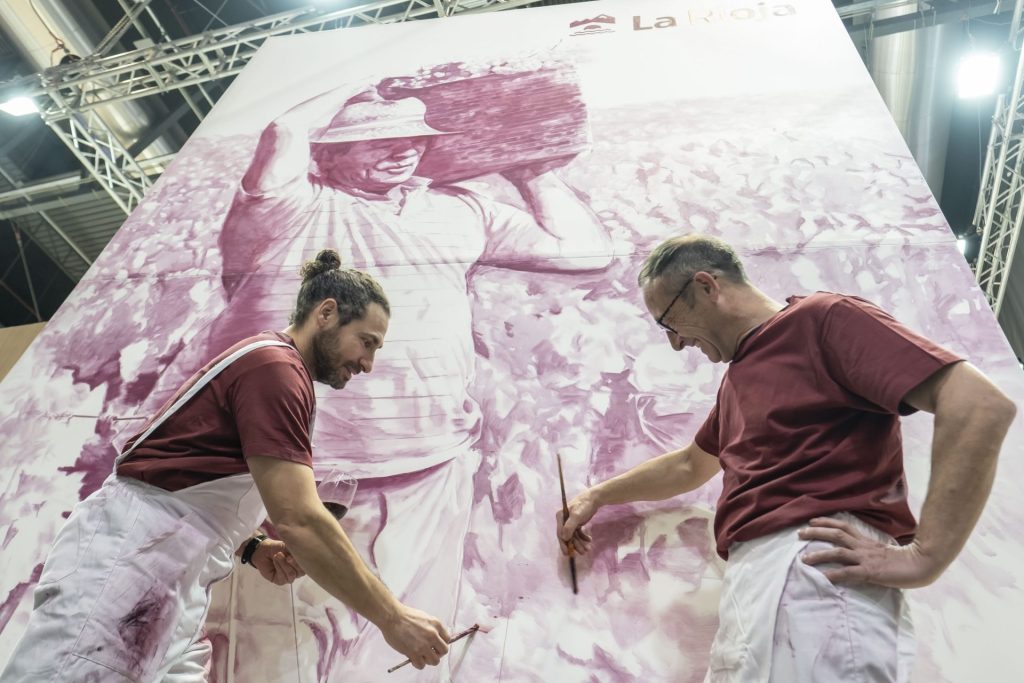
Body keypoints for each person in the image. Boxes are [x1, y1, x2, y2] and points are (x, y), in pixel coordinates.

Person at [204, 82, 612, 673]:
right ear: (329, 151)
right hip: (308, 472)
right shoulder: (288, 204)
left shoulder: (457, 208)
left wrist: (534, 174)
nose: (402, 151)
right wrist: (369, 77)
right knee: (280, 652)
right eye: (377, 140)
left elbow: (581, 252)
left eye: (414, 139)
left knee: (408, 647)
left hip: (430, 463)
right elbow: (285, 133)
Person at [556, 234, 1017, 682]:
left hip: (815, 566)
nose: (675, 343)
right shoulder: (738, 379)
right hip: (753, 582)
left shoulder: (824, 318)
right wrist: (598, 495)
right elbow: (690, 465)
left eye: (669, 322)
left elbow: (977, 403)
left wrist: (926, 556)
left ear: (705, 286)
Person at [0, 250, 451, 682]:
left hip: (173, 577)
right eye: (366, 342)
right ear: (327, 313)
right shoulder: (275, 367)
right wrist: (393, 618)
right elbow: (300, 518)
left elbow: (191, 471)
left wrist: (252, 545)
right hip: (129, 568)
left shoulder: (274, 367)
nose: (368, 364)